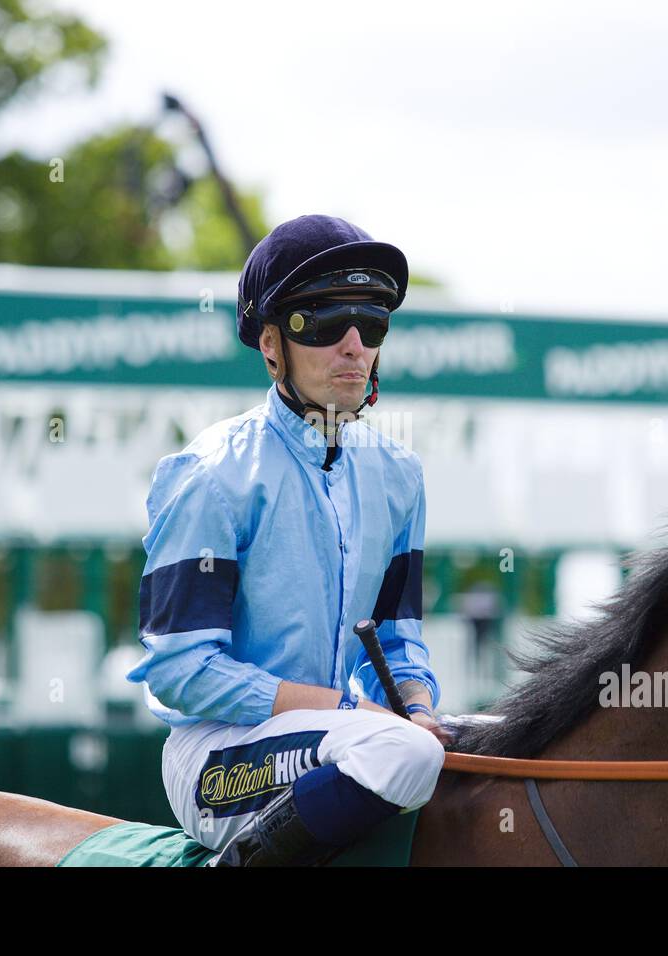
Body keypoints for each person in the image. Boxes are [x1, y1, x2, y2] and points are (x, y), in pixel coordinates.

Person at [127, 214, 449, 866]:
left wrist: (417, 704)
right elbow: (177, 669)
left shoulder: (400, 477)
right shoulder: (211, 474)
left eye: (373, 322)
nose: (355, 345)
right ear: (271, 345)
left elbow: (396, 642)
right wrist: (342, 708)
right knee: (402, 752)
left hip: (345, 736)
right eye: (326, 323)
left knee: (481, 744)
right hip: (220, 758)